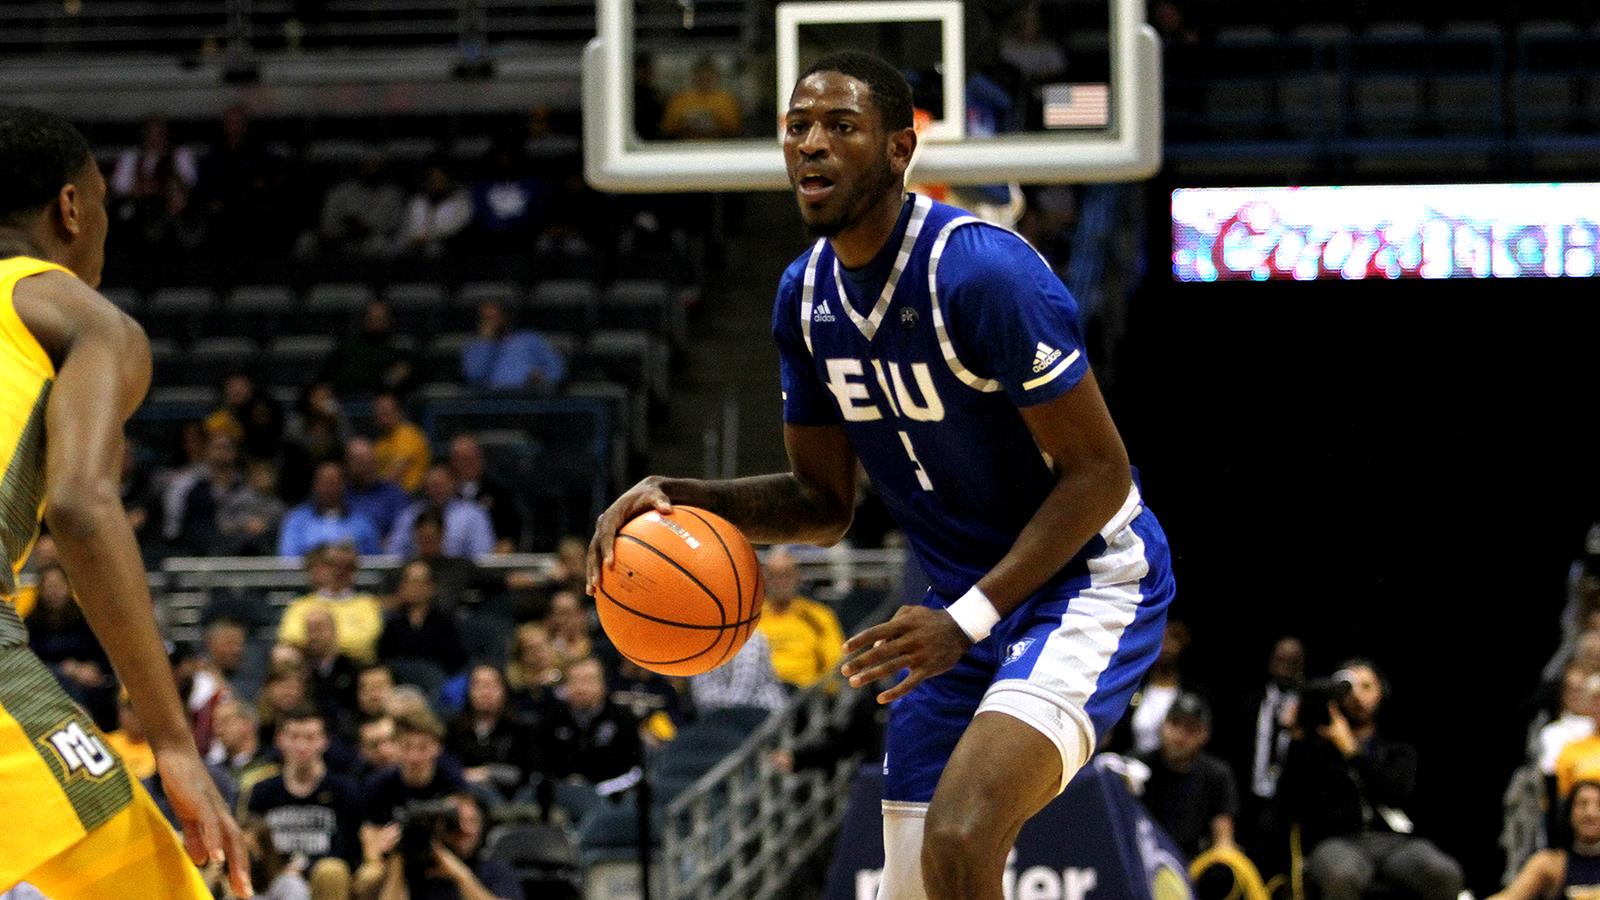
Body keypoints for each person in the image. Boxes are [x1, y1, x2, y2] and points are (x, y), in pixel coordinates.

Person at [586, 52, 1175, 900]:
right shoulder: (803, 298)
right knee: (908, 887)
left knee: (964, 834)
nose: (812, 145)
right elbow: (823, 505)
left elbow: (1101, 475)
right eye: (798, 128)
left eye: (841, 127)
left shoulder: (983, 274)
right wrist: (683, 496)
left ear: (900, 149)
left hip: (1086, 583)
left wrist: (965, 621)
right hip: (964, 604)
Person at [0, 105, 249, 897]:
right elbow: (78, 502)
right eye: (103, 200)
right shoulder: (72, 313)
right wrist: (174, 742)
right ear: (71, 209)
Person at [1280, 660, 1463, 900]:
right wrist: (1297, 739)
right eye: (1349, 687)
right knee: (1342, 876)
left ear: (1380, 693)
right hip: (1337, 841)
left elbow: (1396, 792)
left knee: (1443, 872)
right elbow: (1289, 802)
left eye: (1366, 687)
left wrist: (1352, 752)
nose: (1357, 696)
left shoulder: (1396, 747)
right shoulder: (1314, 748)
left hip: (1393, 841)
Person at [245, 707, 361, 900]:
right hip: (274, 879)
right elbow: (254, 845)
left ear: (324, 741)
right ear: (280, 740)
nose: (302, 746)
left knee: (331, 870)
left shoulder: (343, 789)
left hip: (324, 879)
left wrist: (305, 867)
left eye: (310, 737)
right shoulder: (263, 791)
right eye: (294, 737)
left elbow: (349, 849)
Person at [354, 792, 524, 900]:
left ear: (483, 827)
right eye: (454, 821)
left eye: (471, 821)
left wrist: (460, 875)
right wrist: (399, 855)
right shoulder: (414, 871)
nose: (463, 829)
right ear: (438, 826)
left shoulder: (495, 870)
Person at [1136, 693, 1238, 860]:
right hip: (1142, 858)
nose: (1180, 735)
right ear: (1163, 725)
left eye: (1191, 728)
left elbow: (1223, 840)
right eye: (1175, 724)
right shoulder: (1137, 767)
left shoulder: (1217, 775)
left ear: (1204, 734)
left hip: (1193, 866)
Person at [1489, 779, 1600, 899]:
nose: (1591, 813)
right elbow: (1509, 897)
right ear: (1569, 812)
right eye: (1582, 804)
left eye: (1599, 805)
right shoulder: (1550, 864)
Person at [541, 656, 642, 786]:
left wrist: (601, 790)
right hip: (561, 798)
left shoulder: (622, 718)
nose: (581, 688)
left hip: (612, 798)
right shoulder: (551, 719)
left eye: (588, 680)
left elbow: (635, 770)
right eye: (575, 681)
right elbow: (541, 766)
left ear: (603, 685)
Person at [446, 665, 543, 799]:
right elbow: (446, 767)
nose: (485, 692)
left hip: (511, 801)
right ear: (468, 691)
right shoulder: (454, 728)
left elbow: (526, 774)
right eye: (478, 685)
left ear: (504, 690)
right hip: (465, 799)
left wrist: (489, 772)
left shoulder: (522, 729)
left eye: (492, 685)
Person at [278, 542, 384, 664]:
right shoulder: (301, 604)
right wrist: (330, 644)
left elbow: (364, 641)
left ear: (353, 571)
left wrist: (323, 643)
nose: (338, 572)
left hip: (355, 668)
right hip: (311, 667)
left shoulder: (367, 603)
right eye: (331, 566)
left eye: (345, 566)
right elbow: (290, 636)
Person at [755, 547, 845, 689]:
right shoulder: (751, 618)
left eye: (786, 575)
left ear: (798, 577)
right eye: (774, 576)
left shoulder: (818, 615)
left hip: (803, 697)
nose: (780, 582)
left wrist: (827, 695)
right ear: (764, 579)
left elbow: (834, 664)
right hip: (757, 694)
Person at [385, 464, 496, 559]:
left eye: (441, 485)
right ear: (425, 487)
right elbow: (394, 553)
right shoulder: (410, 514)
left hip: (459, 576)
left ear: (453, 483)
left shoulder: (473, 515)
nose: (437, 489)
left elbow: (482, 555)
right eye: (432, 485)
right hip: (418, 573)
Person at [377, 560, 468, 675]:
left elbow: (455, 661)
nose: (414, 587)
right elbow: (384, 660)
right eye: (409, 581)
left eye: (419, 582)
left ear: (432, 587)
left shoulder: (446, 623)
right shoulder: (391, 624)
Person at [309, 150, 403, 259]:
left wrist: (365, 227)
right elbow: (327, 225)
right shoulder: (340, 191)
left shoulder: (392, 194)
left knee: (379, 244)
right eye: (367, 163)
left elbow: (392, 226)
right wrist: (346, 226)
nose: (371, 168)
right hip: (341, 239)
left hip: (372, 240)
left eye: (375, 164)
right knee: (306, 241)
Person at [460, 299, 566, 393]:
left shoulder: (530, 339)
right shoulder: (473, 347)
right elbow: (474, 376)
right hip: (492, 399)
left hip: (529, 396)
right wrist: (486, 343)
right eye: (486, 318)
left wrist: (543, 377)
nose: (491, 323)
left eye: (494, 317)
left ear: (505, 317)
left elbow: (557, 369)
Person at [279, 463, 383, 557]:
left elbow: (375, 562)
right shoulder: (296, 520)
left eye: (333, 483)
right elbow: (288, 560)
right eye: (324, 483)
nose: (328, 488)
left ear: (343, 486)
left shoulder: (362, 521)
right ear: (315, 485)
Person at [319, 300, 416, 400]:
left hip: (388, 400)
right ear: (364, 319)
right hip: (345, 398)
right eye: (371, 318)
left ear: (389, 321)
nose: (375, 323)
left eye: (380, 319)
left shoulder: (399, 347)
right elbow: (329, 376)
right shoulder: (348, 346)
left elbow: (410, 375)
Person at [448, 434, 523, 552]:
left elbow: (510, 533)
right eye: (462, 459)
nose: (467, 464)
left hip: (491, 558)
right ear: (453, 461)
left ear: (481, 458)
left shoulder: (499, 492)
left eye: (472, 458)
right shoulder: (445, 492)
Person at [689, 629, 788, 714]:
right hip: (721, 714)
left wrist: (718, 704)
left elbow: (743, 693)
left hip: (764, 711)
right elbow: (701, 695)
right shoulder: (704, 643)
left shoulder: (751, 639)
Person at [300, 606, 360, 727]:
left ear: (334, 631)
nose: (315, 636)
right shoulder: (303, 670)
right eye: (310, 630)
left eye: (320, 629)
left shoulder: (353, 666)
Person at [344, 436, 412, 540]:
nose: (367, 468)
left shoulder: (394, 495)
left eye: (371, 462)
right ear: (348, 465)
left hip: (385, 554)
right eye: (361, 463)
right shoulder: (339, 495)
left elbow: (403, 533)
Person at [660, 56, 743, 139]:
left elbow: (736, 129)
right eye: (700, 77)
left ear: (716, 78)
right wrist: (685, 123)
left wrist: (716, 122)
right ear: (693, 77)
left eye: (708, 78)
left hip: (718, 147)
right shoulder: (679, 99)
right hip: (685, 147)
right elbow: (667, 129)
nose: (704, 81)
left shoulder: (726, 99)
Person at [371, 393, 431, 494]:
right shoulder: (379, 441)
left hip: (410, 495)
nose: (383, 418)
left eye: (386, 413)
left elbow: (395, 473)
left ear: (399, 413)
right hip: (386, 495)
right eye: (379, 414)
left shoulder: (409, 435)